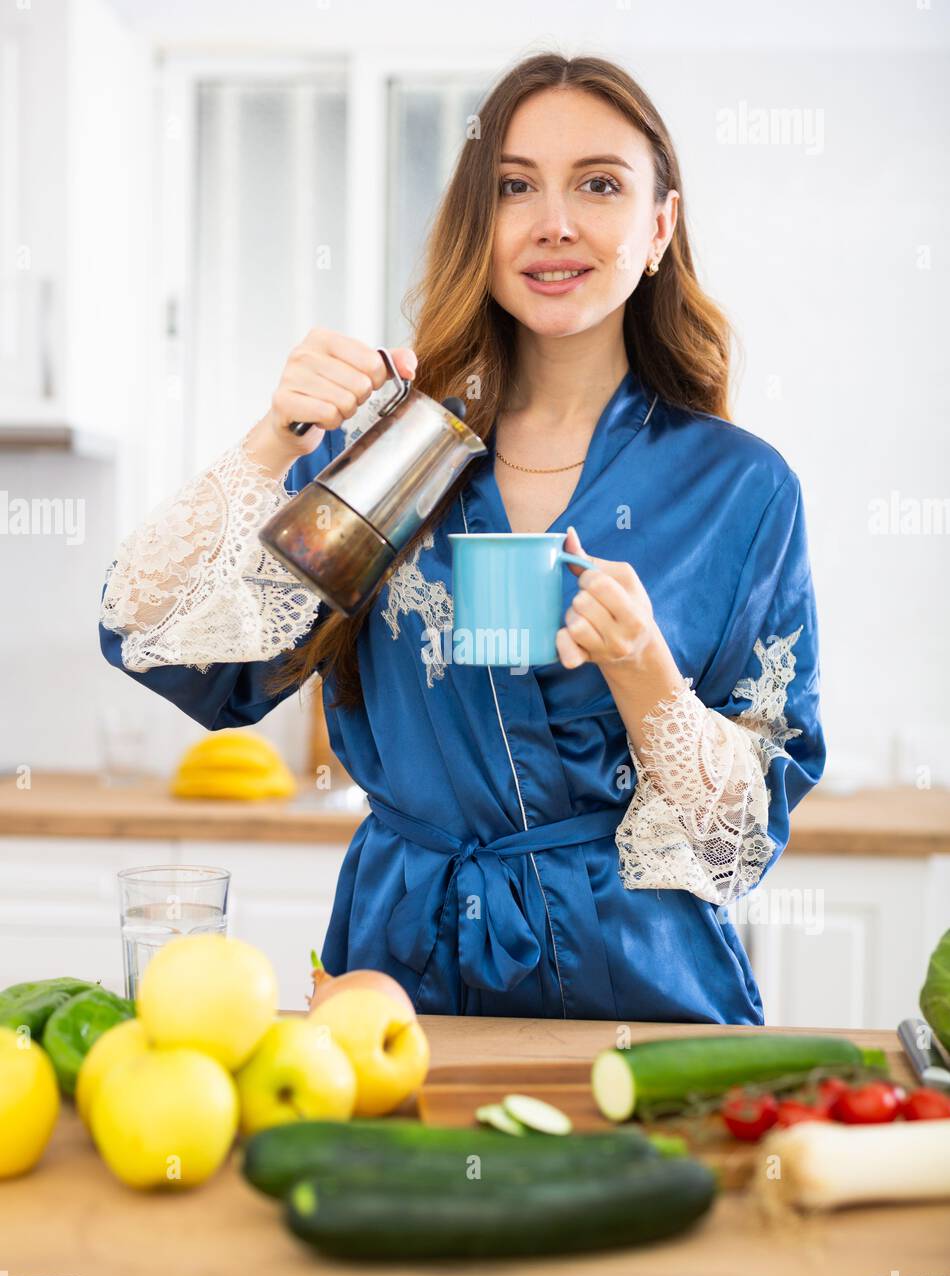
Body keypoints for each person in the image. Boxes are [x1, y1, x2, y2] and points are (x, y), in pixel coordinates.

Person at [98, 52, 825, 1023]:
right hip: (397, 987)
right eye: (513, 186)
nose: (552, 221)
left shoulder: (739, 490)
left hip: (644, 1000)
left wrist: (644, 672)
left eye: (598, 184)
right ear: (475, 226)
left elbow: (743, 837)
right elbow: (159, 639)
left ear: (658, 227)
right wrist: (274, 439)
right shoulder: (387, 459)